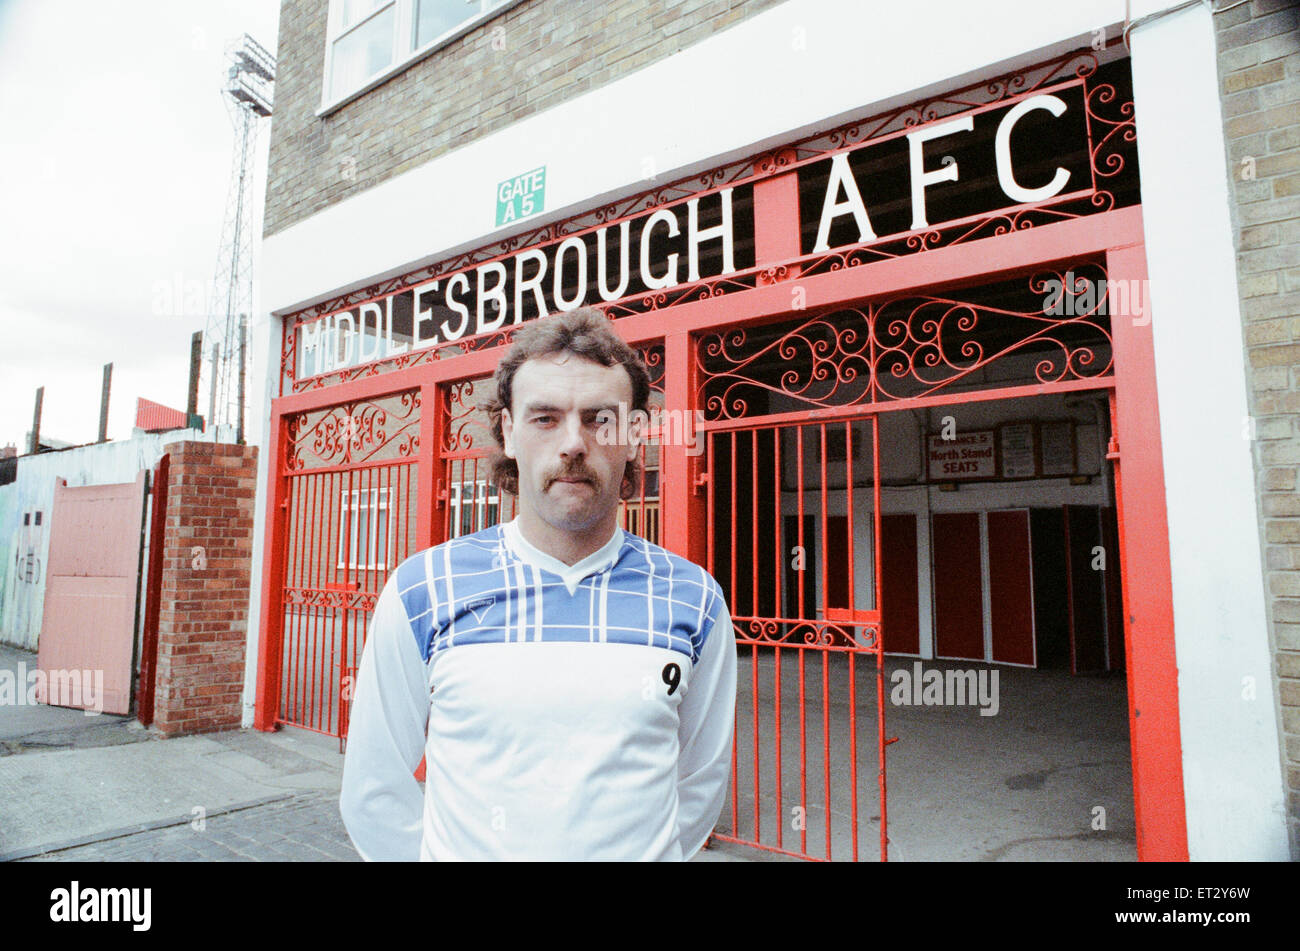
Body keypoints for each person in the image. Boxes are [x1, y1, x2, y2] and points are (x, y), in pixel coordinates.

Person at [339, 306, 737, 861]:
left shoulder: (695, 600)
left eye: (601, 418)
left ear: (633, 436)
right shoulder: (423, 589)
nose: (573, 443)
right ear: (508, 431)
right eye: (545, 417)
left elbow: (698, 787)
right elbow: (375, 788)